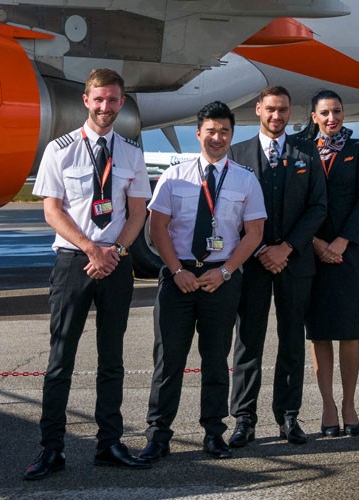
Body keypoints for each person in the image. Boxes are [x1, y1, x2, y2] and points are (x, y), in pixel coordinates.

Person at [23, 68, 151, 480]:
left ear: (121, 103)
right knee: (61, 360)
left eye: (113, 100)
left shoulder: (130, 153)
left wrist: (114, 251)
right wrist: (91, 249)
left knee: (112, 360)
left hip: (115, 263)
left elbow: (137, 212)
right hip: (73, 263)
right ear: (86, 100)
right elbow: (52, 210)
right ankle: (52, 448)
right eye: (99, 100)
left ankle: (109, 443)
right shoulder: (60, 150)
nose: (106, 107)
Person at [138, 100, 268, 465]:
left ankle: (214, 432)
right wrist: (177, 270)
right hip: (178, 278)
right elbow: (156, 227)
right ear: (198, 134)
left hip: (219, 279)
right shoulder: (175, 175)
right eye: (210, 131)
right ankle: (158, 434)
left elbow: (254, 233)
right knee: (169, 361)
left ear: (231, 135)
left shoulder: (244, 179)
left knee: (215, 360)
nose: (217, 137)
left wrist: (225, 271)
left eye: (224, 131)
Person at [227, 86, 328, 447]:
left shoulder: (307, 153)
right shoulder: (237, 154)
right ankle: (244, 418)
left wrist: (286, 247)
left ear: (290, 112)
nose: (277, 116)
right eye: (270, 109)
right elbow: (230, 210)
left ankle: (289, 416)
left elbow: (318, 206)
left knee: (291, 341)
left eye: (283, 110)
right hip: (251, 263)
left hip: (293, 261)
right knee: (248, 340)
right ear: (257, 109)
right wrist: (257, 251)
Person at [297, 89, 359, 438]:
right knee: (318, 333)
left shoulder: (358, 150)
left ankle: (349, 404)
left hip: (347, 252)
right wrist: (315, 244)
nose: (332, 119)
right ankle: (328, 405)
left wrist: (342, 240)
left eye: (338, 112)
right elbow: (295, 202)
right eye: (325, 113)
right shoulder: (301, 151)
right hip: (310, 252)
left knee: (347, 331)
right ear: (313, 116)